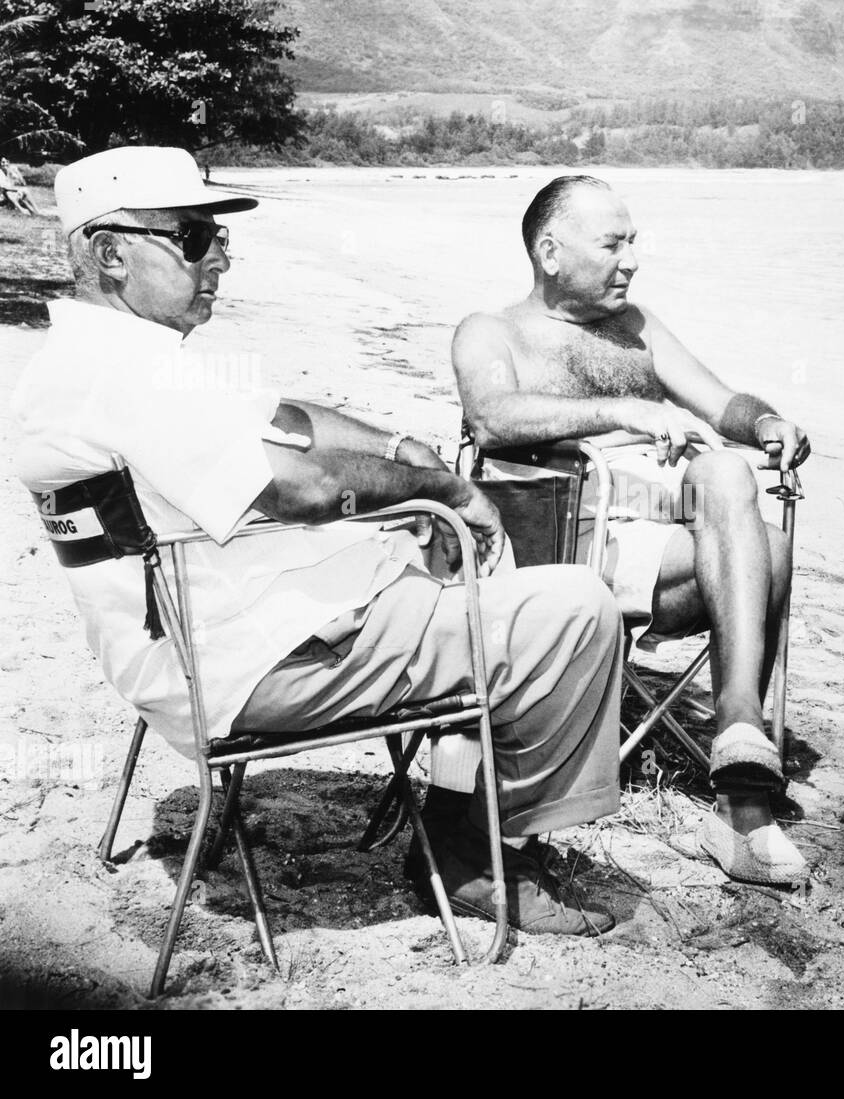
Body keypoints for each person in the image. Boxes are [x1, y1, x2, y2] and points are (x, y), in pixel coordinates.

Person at [12, 146, 626, 937]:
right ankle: (477, 851)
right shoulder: (130, 376)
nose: (219, 260)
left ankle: (458, 800)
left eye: (220, 239)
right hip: (254, 667)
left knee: (447, 574)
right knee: (576, 609)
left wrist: (402, 448)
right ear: (110, 253)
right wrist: (440, 489)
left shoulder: (95, 361)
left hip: (186, 657)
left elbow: (281, 414)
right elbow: (298, 487)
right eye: (194, 237)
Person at [451, 175, 812, 886]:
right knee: (752, 529)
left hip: (672, 530)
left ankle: (737, 732)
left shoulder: (636, 328)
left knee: (740, 493)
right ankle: (742, 796)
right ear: (550, 252)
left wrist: (767, 421)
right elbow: (492, 416)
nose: (632, 259)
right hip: (574, 542)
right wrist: (625, 412)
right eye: (613, 243)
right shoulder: (491, 332)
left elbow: (719, 399)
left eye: (633, 242)